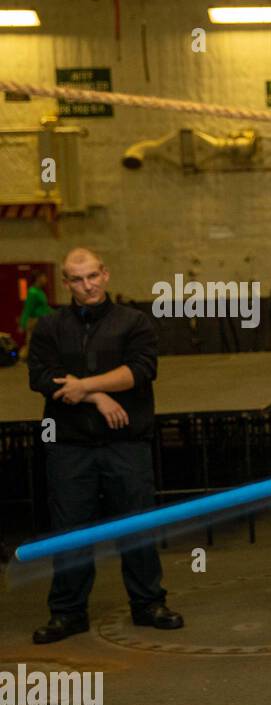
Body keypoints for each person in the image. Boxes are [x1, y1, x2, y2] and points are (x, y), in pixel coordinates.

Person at [26, 247, 183, 644]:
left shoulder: (135, 323)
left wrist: (84, 385)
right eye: (77, 279)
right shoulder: (48, 327)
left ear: (106, 275)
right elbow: (41, 378)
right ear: (66, 283)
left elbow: (141, 372)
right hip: (69, 447)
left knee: (137, 526)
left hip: (125, 444)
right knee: (71, 531)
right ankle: (67, 613)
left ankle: (148, 604)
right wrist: (98, 397)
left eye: (92, 276)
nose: (87, 285)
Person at [18, 271, 53, 363]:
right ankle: (24, 356)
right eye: (43, 277)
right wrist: (23, 323)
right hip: (34, 321)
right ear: (38, 278)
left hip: (42, 320)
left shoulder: (40, 291)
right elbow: (27, 309)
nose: (45, 279)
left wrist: (55, 313)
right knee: (32, 341)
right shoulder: (32, 292)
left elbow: (44, 307)